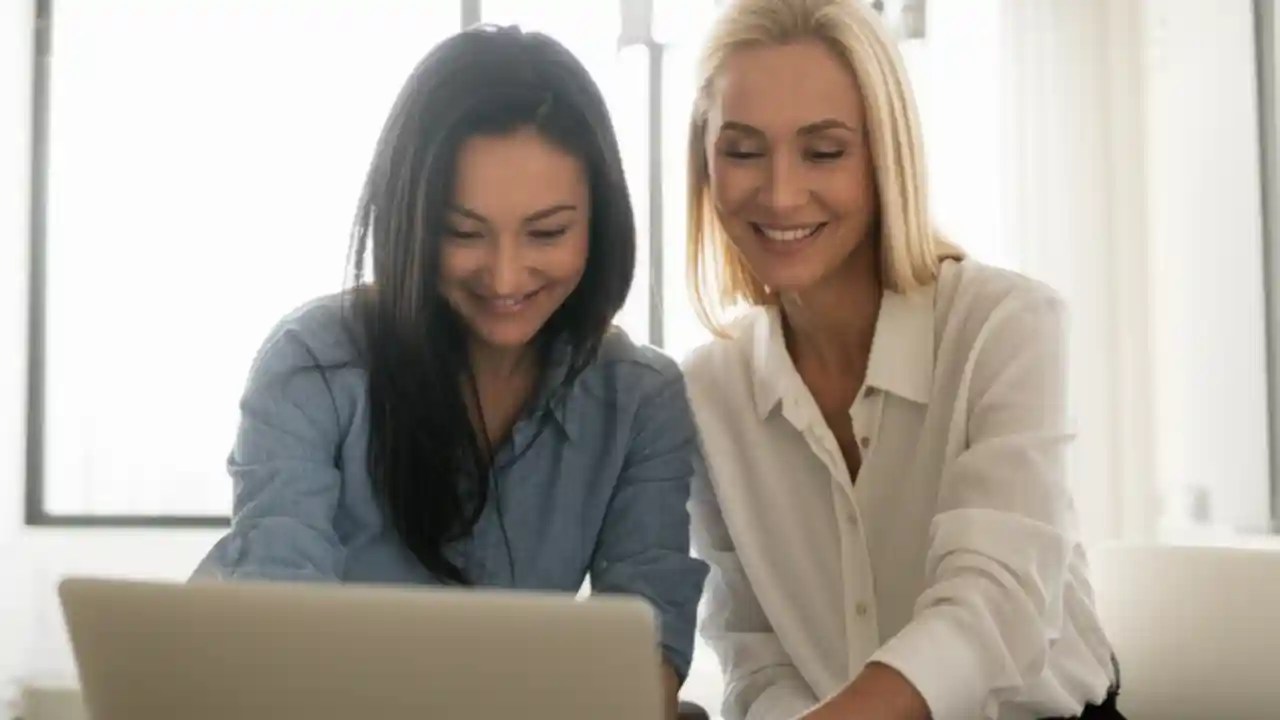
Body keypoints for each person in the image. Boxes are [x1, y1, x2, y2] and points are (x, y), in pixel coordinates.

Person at [192, 25, 707, 717]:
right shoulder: (312, 364)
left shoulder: (640, 399)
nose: (505, 276)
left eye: (548, 232)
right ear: (409, 222)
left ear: (601, 222)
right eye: (463, 232)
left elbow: (646, 644)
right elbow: (277, 624)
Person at [680, 1, 1123, 718]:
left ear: (885, 156)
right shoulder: (707, 389)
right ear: (704, 162)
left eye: (824, 151)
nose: (781, 193)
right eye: (743, 151)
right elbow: (756, 661)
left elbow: (994, 608)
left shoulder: (1005, 326)